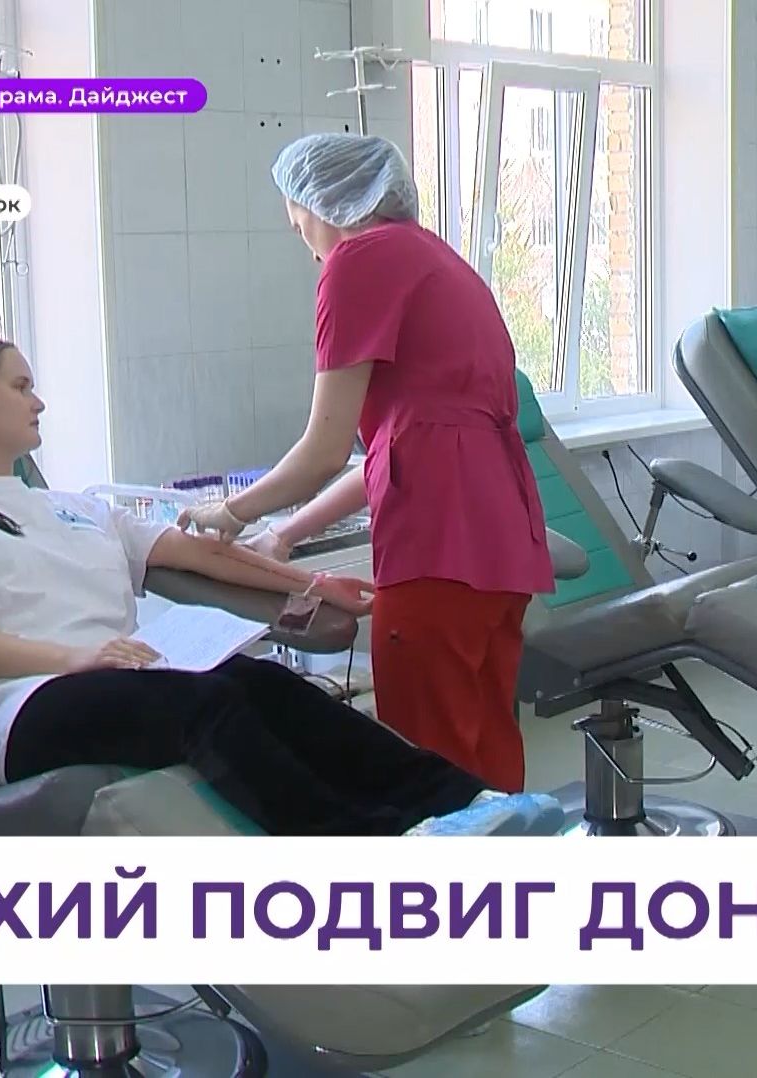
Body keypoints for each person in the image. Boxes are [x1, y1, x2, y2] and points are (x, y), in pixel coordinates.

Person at [0, 335, 564, 838]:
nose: (39, 402)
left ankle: (466, 805)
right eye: (20, 386)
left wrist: (313, 582)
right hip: (31, 706)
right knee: (208, 704)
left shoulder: (75, 506)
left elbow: (203, 555)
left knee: (269, 684)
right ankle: (366, 845)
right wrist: (77, 658)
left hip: (124, 677)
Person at [175, 133, 553, 793]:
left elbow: (324, 450)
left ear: (326, 204)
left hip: (440, 545)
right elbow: (402, 449)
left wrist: (230, 512)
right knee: (486, 743)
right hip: (500, 545)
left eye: (301, 228)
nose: (309, 249)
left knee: (424, 761)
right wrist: (285, 533)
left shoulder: (359, 260)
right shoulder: (437, 259)